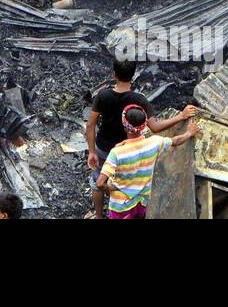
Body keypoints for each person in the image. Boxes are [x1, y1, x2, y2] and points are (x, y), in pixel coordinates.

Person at [85, 59, 198, 219]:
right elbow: (156, 127)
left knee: (97, 181)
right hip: (130, 151)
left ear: (114, 75)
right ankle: (126, 203)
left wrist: (91, 152)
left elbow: (90, 125)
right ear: (133, 76)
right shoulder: (139, 100)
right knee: (126, 179)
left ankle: (98, 216)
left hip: (104, 148)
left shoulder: (103, 96)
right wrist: (181, 116)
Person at [97, 106, 199, 220]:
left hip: (121, 206)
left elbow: (100, 184)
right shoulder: (154, 142)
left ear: (125, 126)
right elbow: (175, 141)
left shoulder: (116, 153)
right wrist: (189, 133)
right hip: (142, 201)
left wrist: (111, 188)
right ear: (144, 126)